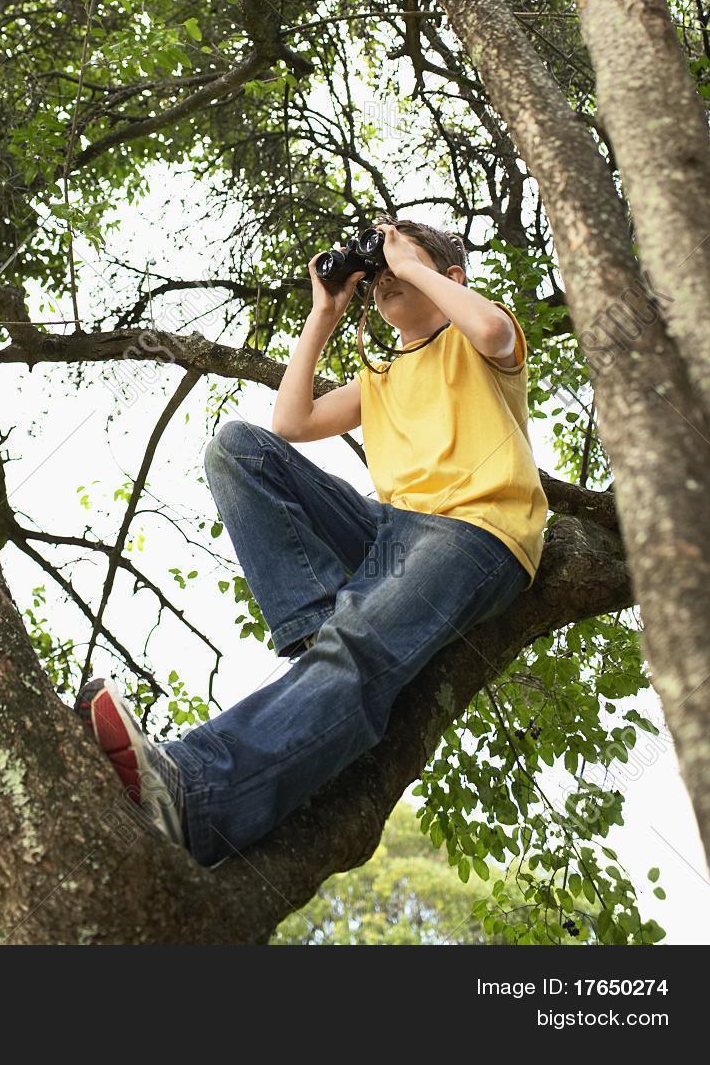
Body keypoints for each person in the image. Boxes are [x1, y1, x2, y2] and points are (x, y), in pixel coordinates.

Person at [75, 219, 548, 867]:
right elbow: (290, 421)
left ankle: (195, 794)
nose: (385, 276)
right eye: (378, 273)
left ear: (450, 278)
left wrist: (410, 263)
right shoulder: (380, 379)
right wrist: (325, 311)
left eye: (398, 265)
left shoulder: (479, 341)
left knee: (356, 646)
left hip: (475, 531)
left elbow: (493, 331)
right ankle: (322, 628)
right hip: (391, 534)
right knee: (237, 448)